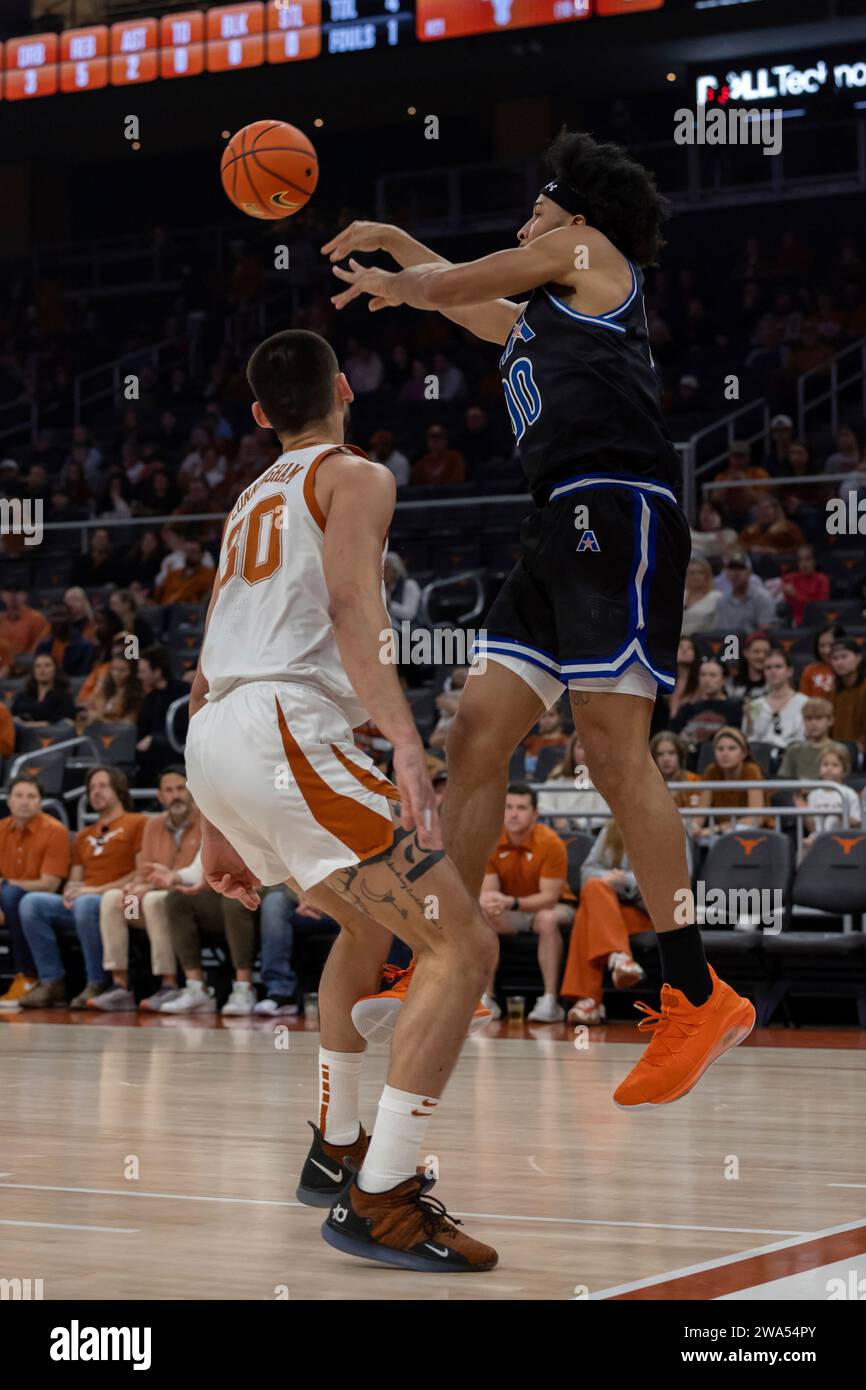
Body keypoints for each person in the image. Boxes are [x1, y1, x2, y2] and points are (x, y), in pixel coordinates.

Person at [326, 131, 754, 1107]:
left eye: (534, 208)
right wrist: (402, 256)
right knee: (474, 732)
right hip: (550, 525)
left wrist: (406, 267)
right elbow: (464, 296)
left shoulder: (589, 256)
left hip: (617, 507)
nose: (524, 222)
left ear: (572, 214)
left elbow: (452, 286)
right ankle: (443, 956)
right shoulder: (534, 315)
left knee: (610, 751)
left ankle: (697, 990)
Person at [184, 328, 499, 1272]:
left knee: (366, 933)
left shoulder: (248, 498)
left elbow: (204, 666)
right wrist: (403, 738)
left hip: (217, 734)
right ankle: (384, 1199)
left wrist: (215, 831)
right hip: (282, 732)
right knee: (465, 945)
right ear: (343, 392)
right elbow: (356, 607)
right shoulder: (355, 476)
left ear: (258, 415)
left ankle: (337, 1143)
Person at [19, 767, 148, 1009]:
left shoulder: (138, 822)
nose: (95, 792)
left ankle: (97, 982)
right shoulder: (83, 835)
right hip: (85, 903)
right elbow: (76, 879)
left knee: (87, 903)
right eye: (91, 789)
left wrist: (94, 891)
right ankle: (51, 982)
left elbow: (140, 874)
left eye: (102, 786)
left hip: (124, 902)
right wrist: (70, 891)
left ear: (118, 789)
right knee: (32, 903)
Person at [90, 766, 201, 1012]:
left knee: (154, 900)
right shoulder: (153, 825)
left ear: (192, 792)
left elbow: (198, 874)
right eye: (169, 791)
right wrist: (135, 886)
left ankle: (168, 983)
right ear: (160, 797)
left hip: (185, 902)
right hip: (150, 903)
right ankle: (120, 985)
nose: (176, 796)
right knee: (113, 899)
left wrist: (149, 886)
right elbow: (144, 870)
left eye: (181, 789)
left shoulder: (205, 822)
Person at [479, 783, 572, 1022]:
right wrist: (492, 903)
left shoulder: (551, 842)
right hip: (513, 909)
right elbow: (490, 894)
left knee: (547, 919)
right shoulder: (490, 840)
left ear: (535, 814)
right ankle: (486, 998)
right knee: (483, 915)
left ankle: (550, 1000)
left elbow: (549, 898)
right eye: (508, 807)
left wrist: (509, 901)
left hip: (556, 907)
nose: (513, 813)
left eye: (521, 807)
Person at [561, 820, 658, 1026]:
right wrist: (608, 878)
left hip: (653, 913)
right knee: (595, 888)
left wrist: (624, 879)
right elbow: (587, 871)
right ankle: (620, 959)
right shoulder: (612, 829)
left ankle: (589, 1000)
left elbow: (675, 878)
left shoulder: (669, 828)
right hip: (612, 908)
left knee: (586, 917)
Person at [0, 775, 70, 1010]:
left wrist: (6, 884)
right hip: (11, 901)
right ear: (8, 801)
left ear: (40, 802)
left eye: (31, 796)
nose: (25, 801)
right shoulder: (0, 829)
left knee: (16, 897)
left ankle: (30, 975)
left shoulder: (55, 830)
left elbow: (49, 885)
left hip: (54, 903)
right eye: (19, 796)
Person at [692, 727, 767, 841]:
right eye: (720, 749)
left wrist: (717, 828)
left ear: (744, 753)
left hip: (750, 834)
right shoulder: (711, 771)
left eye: (732, 748)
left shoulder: (752, 770)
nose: (725, 754)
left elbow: (755, 818)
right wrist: (694, 827)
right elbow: (700, 816)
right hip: (718, 835)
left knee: (740, 829)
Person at [536, 731, 610, 832]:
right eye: (580, 747)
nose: (584, 752)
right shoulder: (558, 778)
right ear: (572, 750)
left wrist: (578, 824)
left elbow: (607, 814)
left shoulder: (606, 782)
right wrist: (556, 817)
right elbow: (543, 803)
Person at [795, 742, 862, 850]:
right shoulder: (814, 795)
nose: (829, 768)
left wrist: (842, 816)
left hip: (840, 840)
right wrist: (804, 812)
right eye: (825, 764)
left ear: (844, 770)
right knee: (803, 845)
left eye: (835, 765)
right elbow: (812, 828)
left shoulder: (849, 794)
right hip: (817, 839)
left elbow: (857, 824)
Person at [742, 647, 808, 752]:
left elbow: (805, 738)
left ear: (789, 671)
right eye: (768, 668)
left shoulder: (804, 703)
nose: (773, 671)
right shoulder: (755, 705)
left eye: (778, 667)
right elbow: (750, 739)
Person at [670, 658, 743, 752]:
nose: (707, 680)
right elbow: (672, 737)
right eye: (703, 675)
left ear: (724, 679)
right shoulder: (687, 709)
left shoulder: (735, 708)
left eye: (713, 675)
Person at [714, 551, 778, 631]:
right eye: (731, 569)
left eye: (741, 568)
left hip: (754, 641)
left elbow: (766, 630)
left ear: (749, 572)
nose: (735, 573)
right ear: (726, 573)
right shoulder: (722, 601)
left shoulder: (762, 597)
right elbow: (720, 632)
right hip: (729, 642)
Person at [777, 699, 836, 780]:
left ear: (830, 721)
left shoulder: (838, 750)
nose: (813, 723)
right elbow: (784, 782)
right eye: (808, 719)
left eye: (819, 718)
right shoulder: (794, 750)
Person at [11, 653, 75, 726]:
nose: (42, 669)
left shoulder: (65, 697)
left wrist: (25, 724)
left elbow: (59, 723)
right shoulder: (22, 696)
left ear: (55, 669)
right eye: (38, 666)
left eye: (47, 665)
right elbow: (13, 716)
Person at [779, 544, 830, 627]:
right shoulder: (789, 579)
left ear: (815, 561)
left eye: (808, 559)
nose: (803, 564)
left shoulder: (822, 580)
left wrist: (795, 595)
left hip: (817, 624)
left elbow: (818, 609)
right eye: (800, 560)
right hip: (795, 624)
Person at [829, 638, 866, 750]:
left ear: (858, 658)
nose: (839, 662)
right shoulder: (832, 691)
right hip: (835, 752)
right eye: (835, 658)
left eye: (844, 657)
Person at [0, 588, 50, 657]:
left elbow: (38, 649)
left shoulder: (37, 619)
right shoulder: (1, 620)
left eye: (17, 591)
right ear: (2, 595)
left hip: (27, 664)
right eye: (8, 591)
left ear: (25, 595)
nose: (12, 595)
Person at [681, 557, 721, 636]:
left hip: (702, 641)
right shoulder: (680, 595)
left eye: (700, 572)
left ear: (707, 575)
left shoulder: (716, 597)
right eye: (692, 573)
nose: (696, 576)